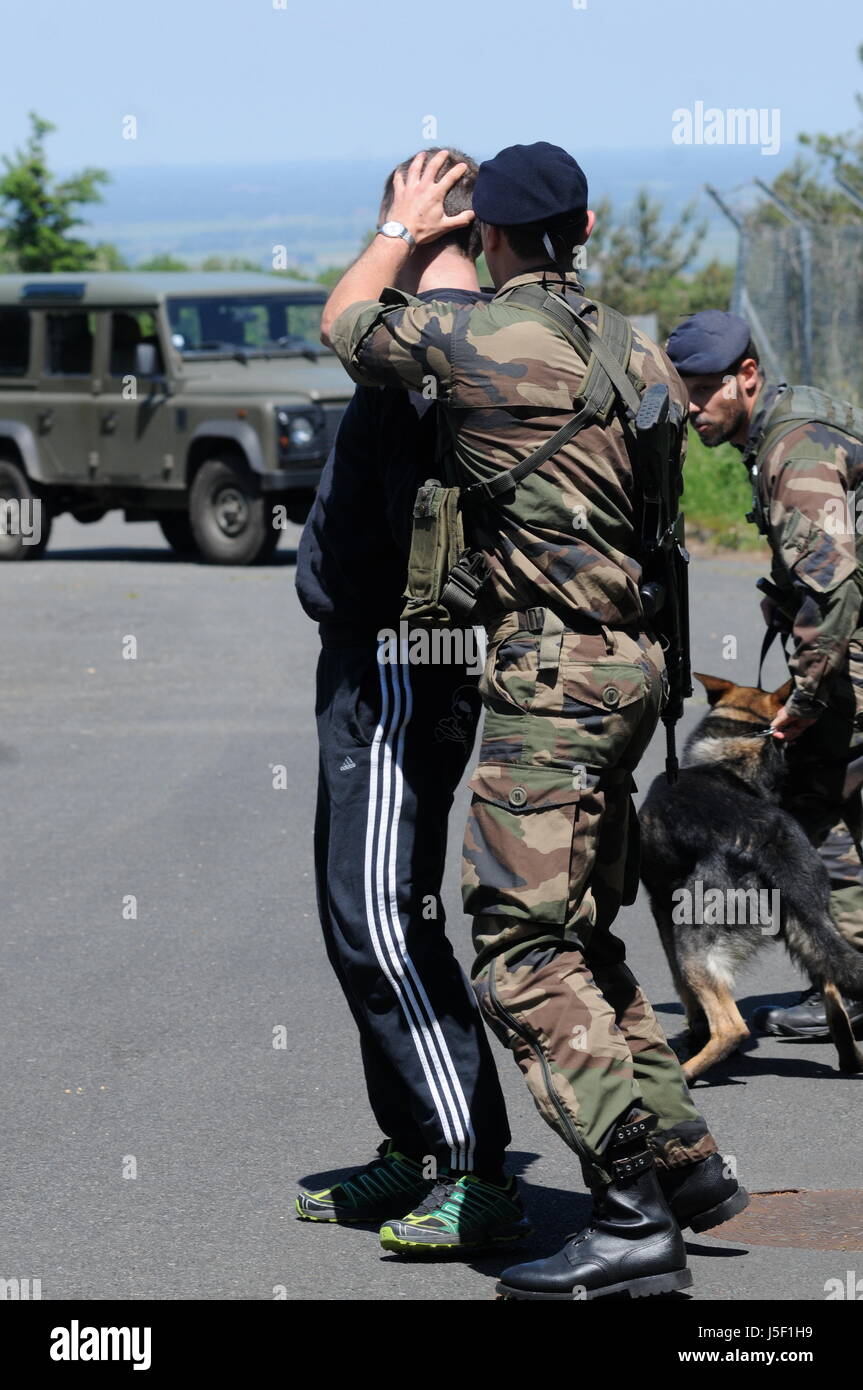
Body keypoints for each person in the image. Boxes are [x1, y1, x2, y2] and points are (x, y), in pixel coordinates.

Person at [321, 143, 747, 1300]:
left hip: (550, 688)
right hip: (631, 673)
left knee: (518, 951)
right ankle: (683, 1162)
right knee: (582, 934)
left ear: (493, 238)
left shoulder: (481, 339)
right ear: (589, 224)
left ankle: (627, 1214)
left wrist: (405, 228)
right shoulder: (636, 348)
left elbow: (349, 322)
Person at [294, 149, 524, 1258]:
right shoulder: (420, 324)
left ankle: (471, 1161)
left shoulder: (438, 335)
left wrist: (404, 229)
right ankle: (416, 1145)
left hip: (401, 657)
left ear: (447, 220)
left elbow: (336, 320)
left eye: (404, 207)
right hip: (364, 655)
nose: (385, 223)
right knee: (353, 919)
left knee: (385, 914)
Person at [666, 309, 863, 1041]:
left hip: (846, 659)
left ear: (745, 376)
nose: (689, 407)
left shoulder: (792, 451)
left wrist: (806, 699)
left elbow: (834, 588)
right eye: (681, 390)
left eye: (702, 389)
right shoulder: (795, 423)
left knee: (813, 810)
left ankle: (849, 981)